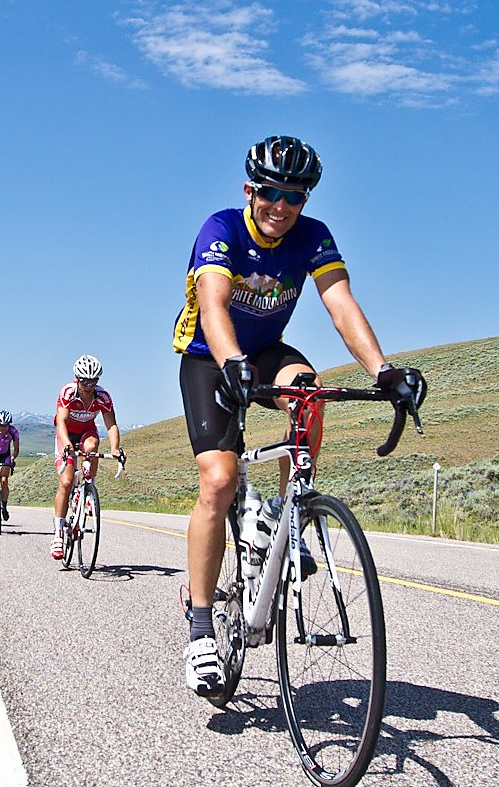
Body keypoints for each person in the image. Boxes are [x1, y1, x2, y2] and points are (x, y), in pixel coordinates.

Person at [173, 134, 427, 697]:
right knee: (217, 480)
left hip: (265, 353)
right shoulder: (221, 229)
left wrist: (383, 371)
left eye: (295, 195)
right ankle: (199, 628)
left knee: (307, 393)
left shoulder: (312, 237)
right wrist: (232, 361)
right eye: (271, 192)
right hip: (209, 358)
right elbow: (214, 305)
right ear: (250, 190)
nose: (281, 206)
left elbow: (340, 304)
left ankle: (293, 518)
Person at [50, 354, 123, 560]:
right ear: (77, 378)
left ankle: (89, 488)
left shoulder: (103, 397)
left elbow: (111, 424)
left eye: (94, 381)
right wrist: (66, 447)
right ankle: (57, 533)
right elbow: (61, 422)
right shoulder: (68, 392)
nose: (89, 386)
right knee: (65, 483)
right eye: (85, 381)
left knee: (92, 446)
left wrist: (116, 448)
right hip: (65, 434)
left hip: (86, 432)